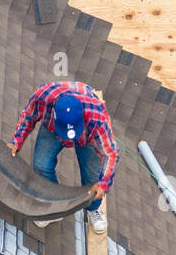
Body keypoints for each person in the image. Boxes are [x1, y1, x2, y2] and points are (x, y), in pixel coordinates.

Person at [7, 81, 118, 234]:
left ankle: (93, 209)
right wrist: (17, 140)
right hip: (53, 129)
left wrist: (103, 183)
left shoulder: (97, 118)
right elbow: (28, 116)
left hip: (87, 135)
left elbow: (110, 153)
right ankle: (53, 205)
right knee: (41, 164)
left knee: (93, 176)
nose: (69, 140)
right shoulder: (43, 98)